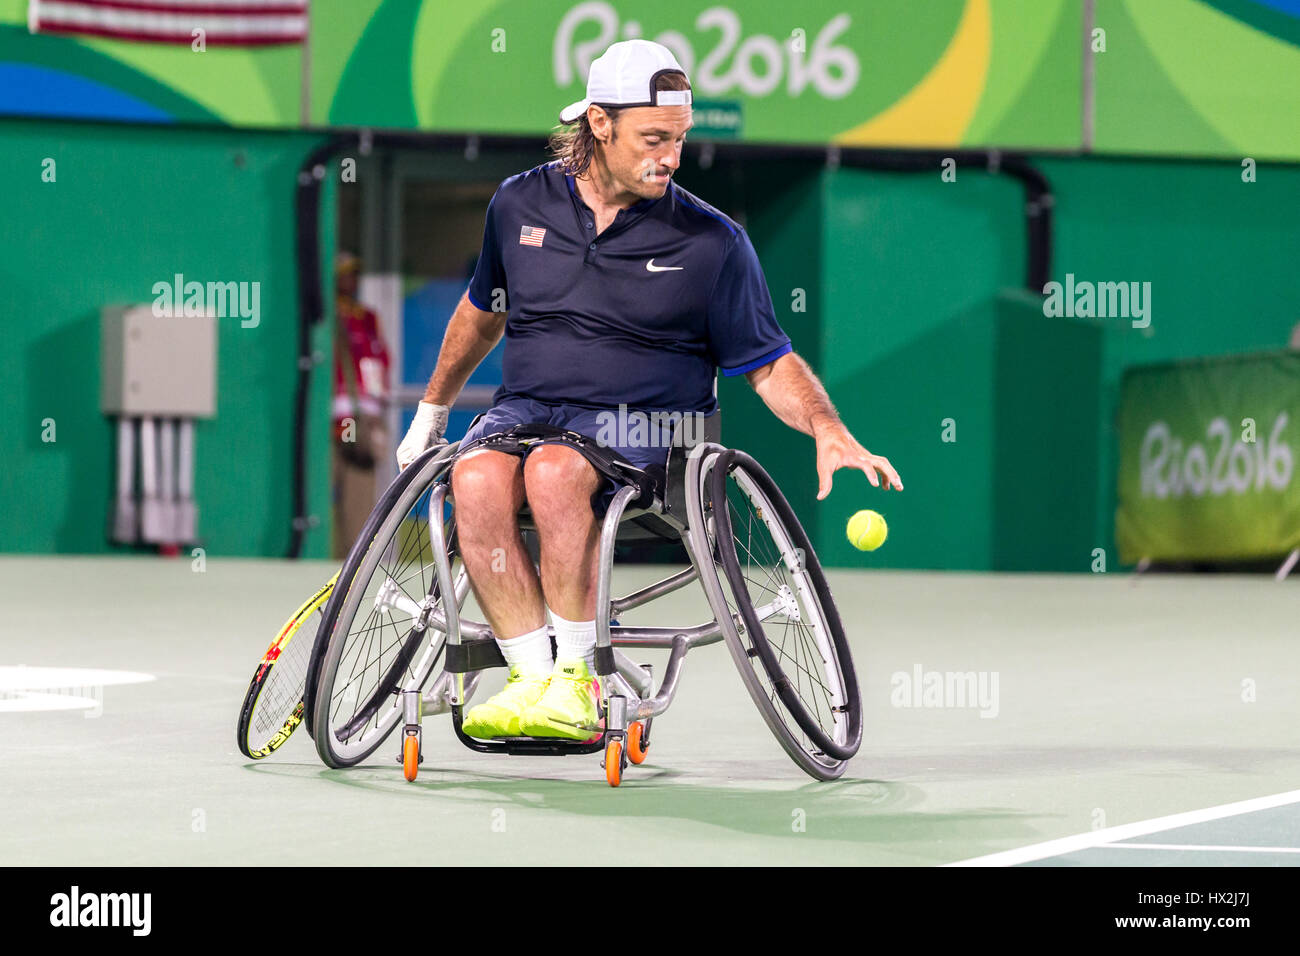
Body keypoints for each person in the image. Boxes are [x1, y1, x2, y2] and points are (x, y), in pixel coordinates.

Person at [395, 39, 902, 741]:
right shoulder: (518, 204)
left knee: (552, 470)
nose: (669, 155)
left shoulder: (712, 241)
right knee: (476, 478)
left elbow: (766, 361)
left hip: (651, 431)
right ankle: (531, 676)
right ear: (599, 125)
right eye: (654, 139)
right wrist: (431, 412)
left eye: (679, 140)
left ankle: (576, 681)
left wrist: (826, 426)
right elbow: (481, 316)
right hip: (530, 409)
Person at [332, 251, 391, 558]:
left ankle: (351, 561)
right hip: (340, 417)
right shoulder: (329, 317)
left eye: (353, 273)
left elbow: (382, 364)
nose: (349, 279)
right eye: (342, 273)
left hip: (362, 417)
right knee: (332, 486)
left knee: (358, 490)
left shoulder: (367, 318)